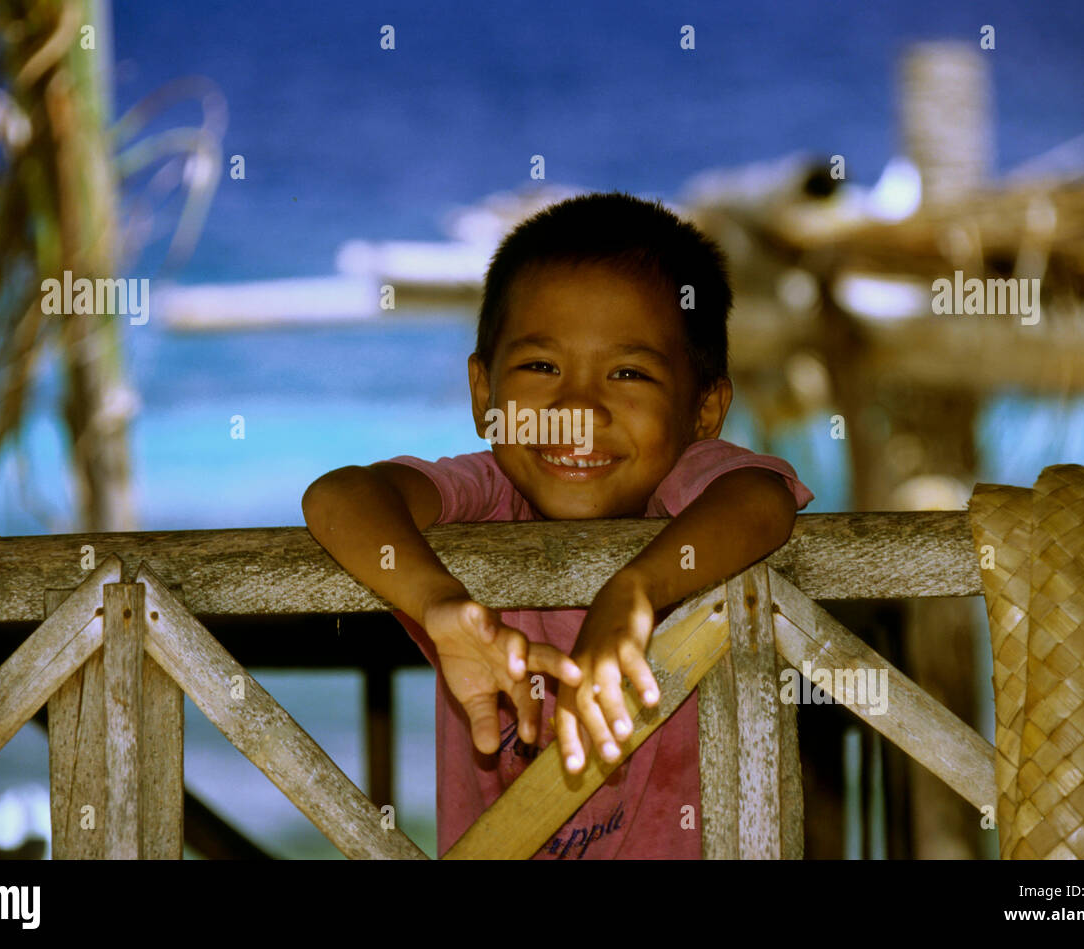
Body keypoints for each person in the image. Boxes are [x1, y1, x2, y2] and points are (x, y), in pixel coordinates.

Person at [301, 192, 813, 858]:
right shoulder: (486, 493)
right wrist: (443, 604)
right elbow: (338, 496)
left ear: (705, 410)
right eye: (542, 367)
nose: (577, 407)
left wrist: (636, 590)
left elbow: (761, 499)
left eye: (629, 373)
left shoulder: (689, 489)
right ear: (485, 395)